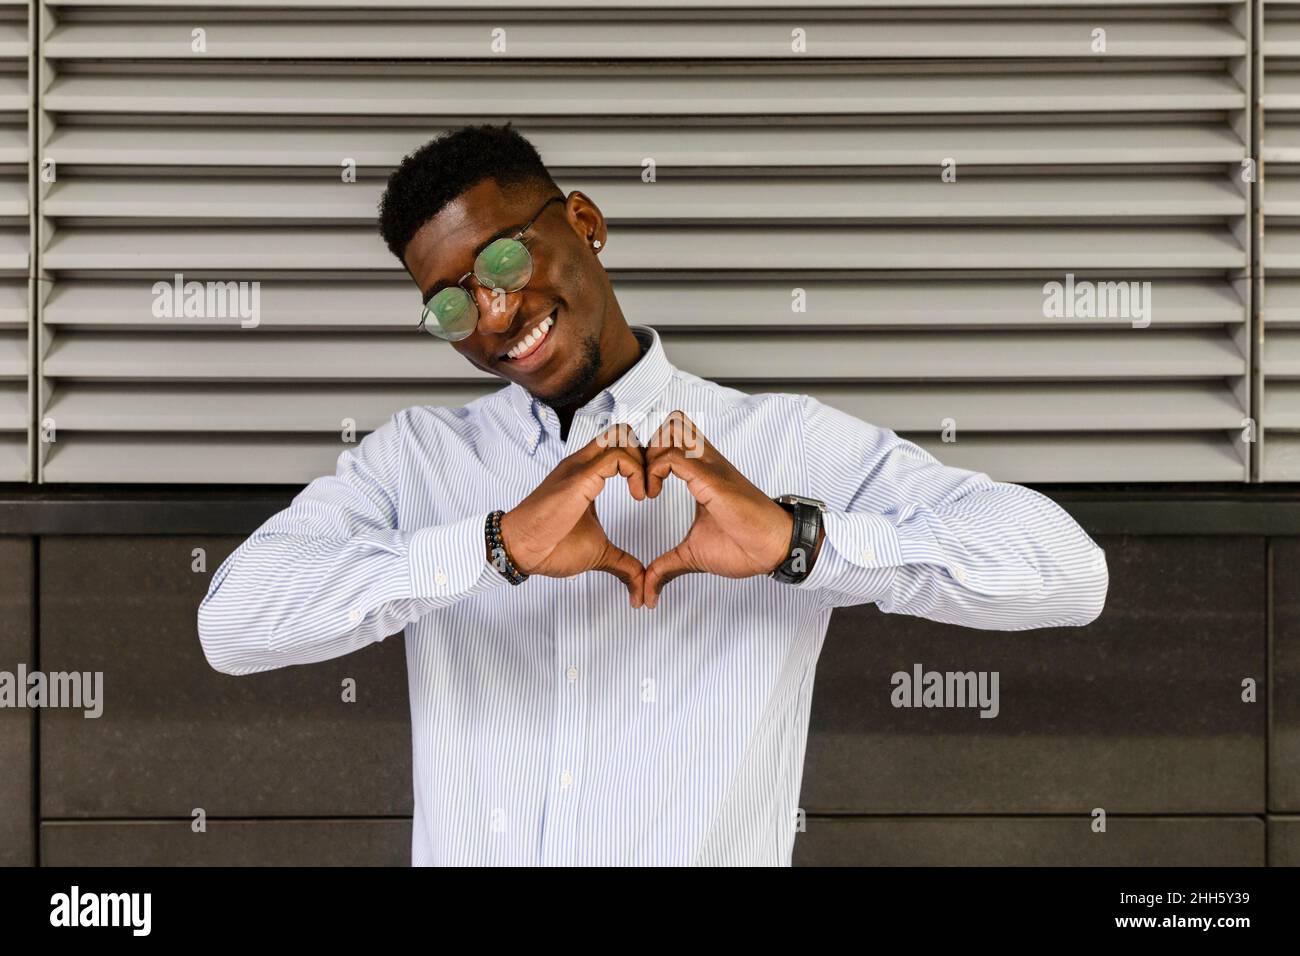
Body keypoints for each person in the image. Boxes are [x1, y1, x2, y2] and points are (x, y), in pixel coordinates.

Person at [197, 123, 1109, 866]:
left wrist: (801, 541)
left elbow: (1069, 572)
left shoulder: (780, 443)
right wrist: (490, 547)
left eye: (506, 263)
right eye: (450, 306)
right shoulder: (416, 463)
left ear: (585, 223)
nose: (495, 316)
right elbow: (232, 626)